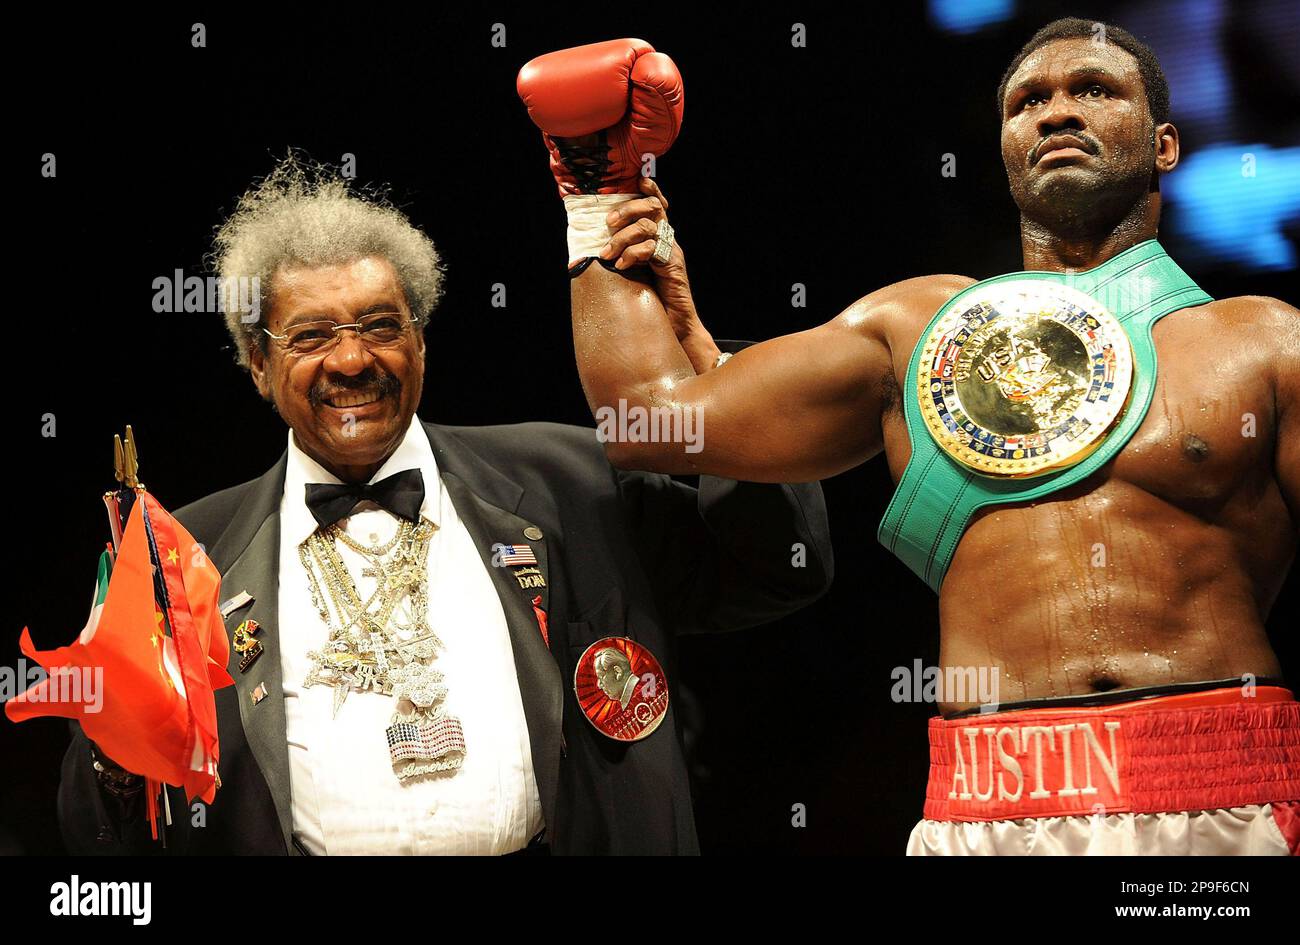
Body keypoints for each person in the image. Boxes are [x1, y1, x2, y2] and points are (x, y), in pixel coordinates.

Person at [518, 25, 1300, 854]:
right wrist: (596, 193)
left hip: (1224, 787)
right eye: (1027, 102)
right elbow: (650, 420)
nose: (1056, 114)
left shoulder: (1264, 342)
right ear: (1002, 148)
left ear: (1165, 144)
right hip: (987, 798)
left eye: (1095, 91)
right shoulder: (914, 327)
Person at [57, 154, 832, 855]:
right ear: (259, 363)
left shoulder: (572, 482)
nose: (353, 358)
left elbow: (777, 565)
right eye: (312, 334)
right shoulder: (185, 554)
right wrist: (114, 745)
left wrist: (702, 353)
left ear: (421, 342)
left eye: (380, 325)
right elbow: (98, 832)